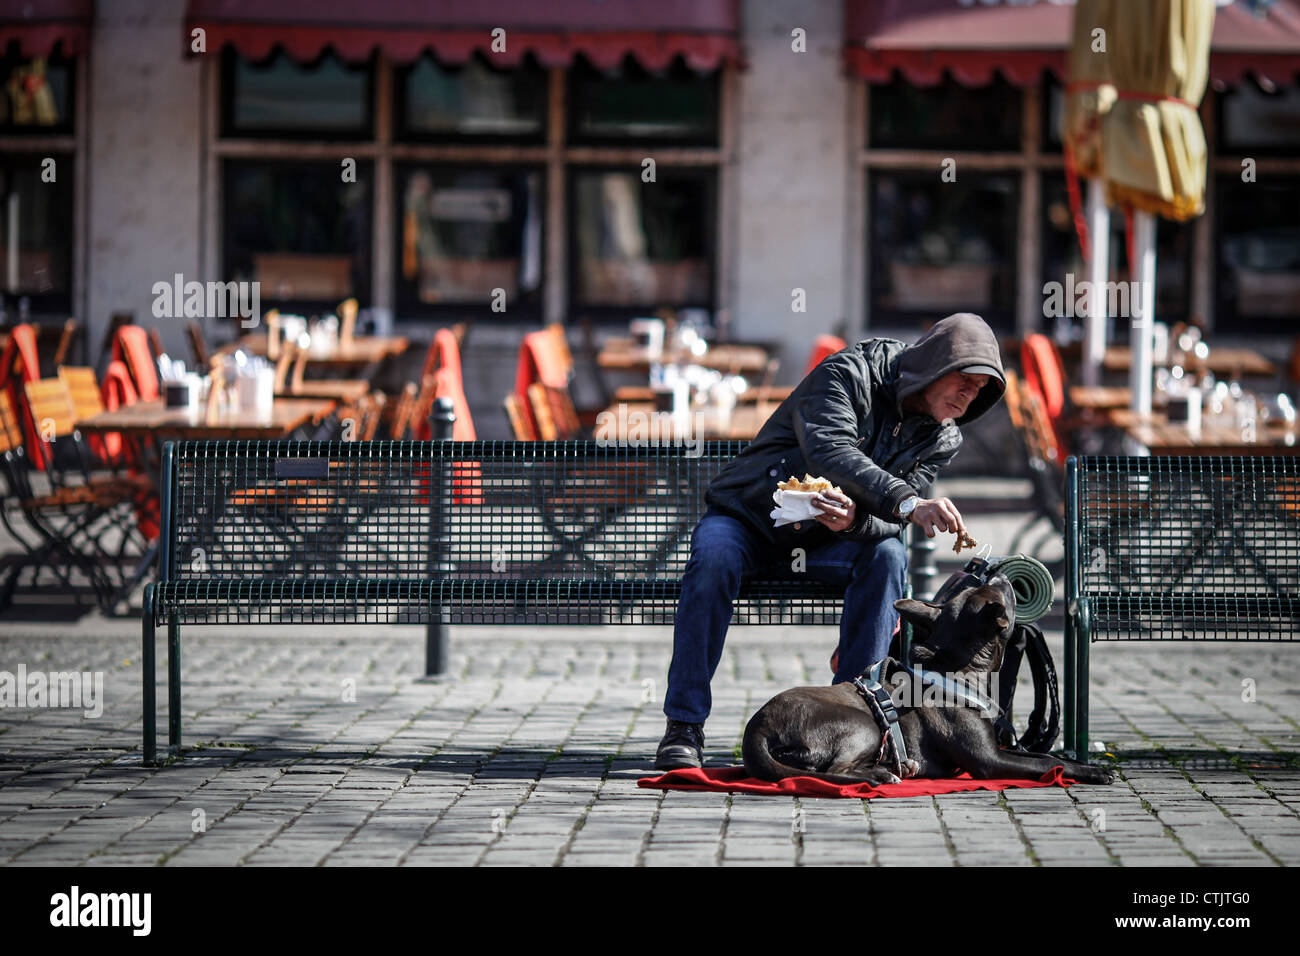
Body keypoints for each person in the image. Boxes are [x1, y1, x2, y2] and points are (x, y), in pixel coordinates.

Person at [655, 312, 1007, 770]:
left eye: (981, 389)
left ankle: (858, 717)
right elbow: (831, 448)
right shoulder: (848, 375)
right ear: (935, 366)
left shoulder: (943, 437)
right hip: (748, 520)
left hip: (828, 544)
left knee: (886, 555)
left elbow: (888, 526)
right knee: (713, 558)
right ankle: (683, 726)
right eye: (965, 379)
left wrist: (857, 525)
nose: (969, 394)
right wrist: (906, 502)